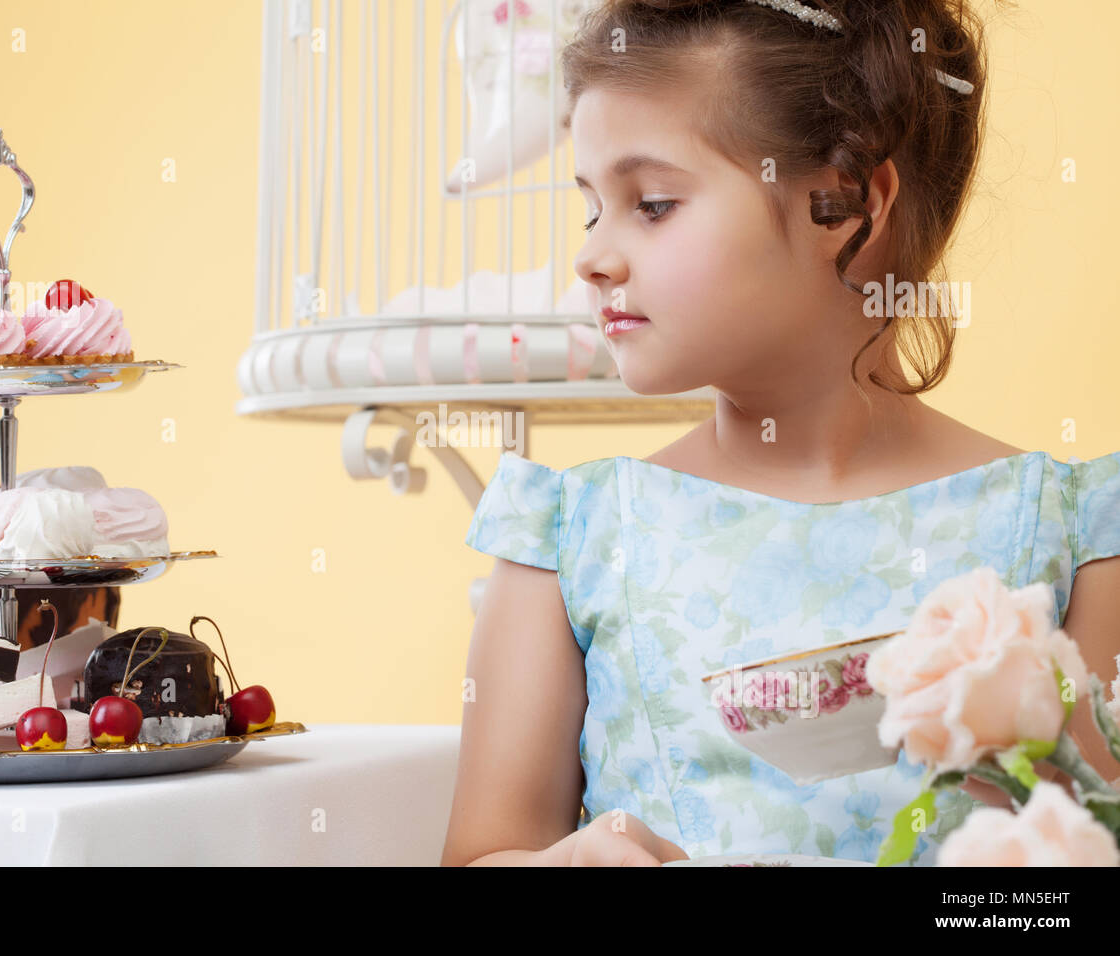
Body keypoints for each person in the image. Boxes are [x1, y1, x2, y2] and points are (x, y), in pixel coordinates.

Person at [441, 0, 1120, 867]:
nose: (592, 256)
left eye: (650, 204)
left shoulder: (1074, 536)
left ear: (847, 205)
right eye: (590, 209)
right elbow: (481, 854)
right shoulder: (566, 542)